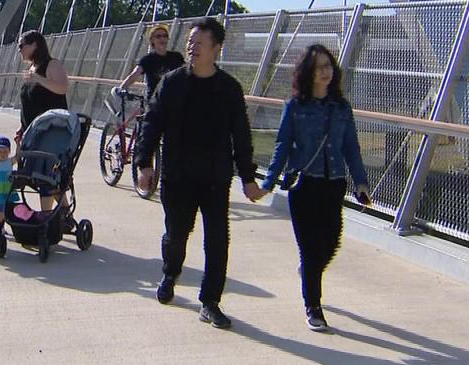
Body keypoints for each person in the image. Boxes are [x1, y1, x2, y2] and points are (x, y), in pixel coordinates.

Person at [134, 17, 266, 330]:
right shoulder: (173, 82)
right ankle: (170, 272)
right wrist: (144, 163)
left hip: (215, 178)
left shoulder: (228, 89)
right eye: (190, 42)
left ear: (216, 49)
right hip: (178, 175)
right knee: (177, 235)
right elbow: (152, 122)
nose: (191, 47)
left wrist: (247, 177)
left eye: (199, 43)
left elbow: (241, 135)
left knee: (218, 240)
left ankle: (210, 302)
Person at [261, 44, 371, 333]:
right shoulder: (295, 107)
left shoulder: (341, 108)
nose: (325, 71)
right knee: (310, 249)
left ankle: (309, 273)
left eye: (329, 66)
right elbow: (282, 146)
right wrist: (268, 182)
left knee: (331, 242)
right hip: (304, 184)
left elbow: (351, 147)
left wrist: (361, 182)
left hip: (333, 183)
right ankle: (314, 305)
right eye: (319, 66)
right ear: (308, 72)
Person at [17, 30, 70, 211]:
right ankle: (63, 213)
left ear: (35, 45)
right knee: (34, 175)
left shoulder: (51, 65)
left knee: (45, 175)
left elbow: (63, 88)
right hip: (33, 132)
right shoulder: (32, 68)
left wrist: (39, 79)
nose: (19, 49)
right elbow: (30, 104)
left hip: (52, 132)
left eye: (22, 45)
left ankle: (47, 217)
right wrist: (21, 127)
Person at [118, 22, 184, 106]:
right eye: (158, 36)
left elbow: (188, 72)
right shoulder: (147, 60)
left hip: (176, 101)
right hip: (156, 103)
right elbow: (135, 74)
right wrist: (122, 87)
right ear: (152, 40)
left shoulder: (176, 57)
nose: (162, 39)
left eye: (165, 36)